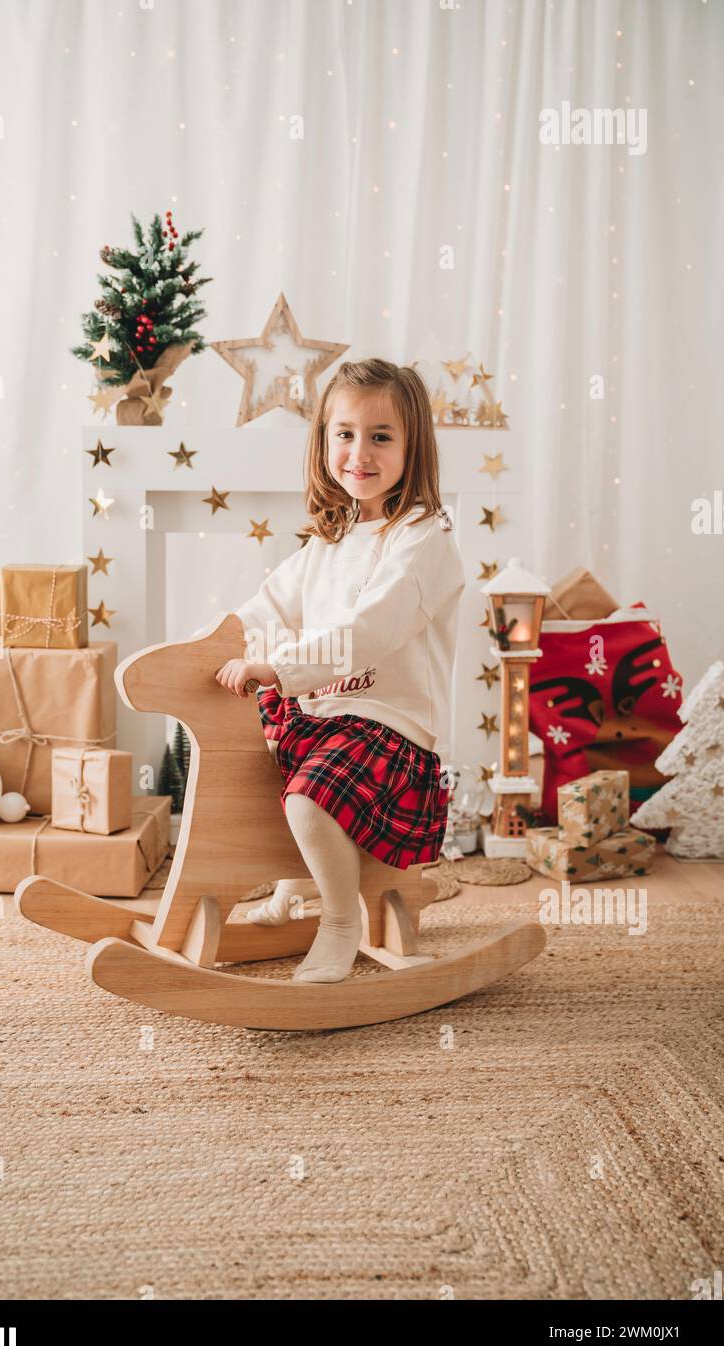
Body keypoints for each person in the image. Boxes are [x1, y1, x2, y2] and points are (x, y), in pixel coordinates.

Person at [215, 357, 465, 984]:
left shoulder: (424, 539)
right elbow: (265, 608)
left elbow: (369, 633)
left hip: (390, 729)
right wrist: (210, 646)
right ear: (324, 440)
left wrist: (276, 666)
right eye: (344, 433)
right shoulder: (329, 539)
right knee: (248, 756)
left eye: (381, 436)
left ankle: (339, 922)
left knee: (307, 797)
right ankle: (293, 882)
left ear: (413, 447)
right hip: (327, 716)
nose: (360, 452)